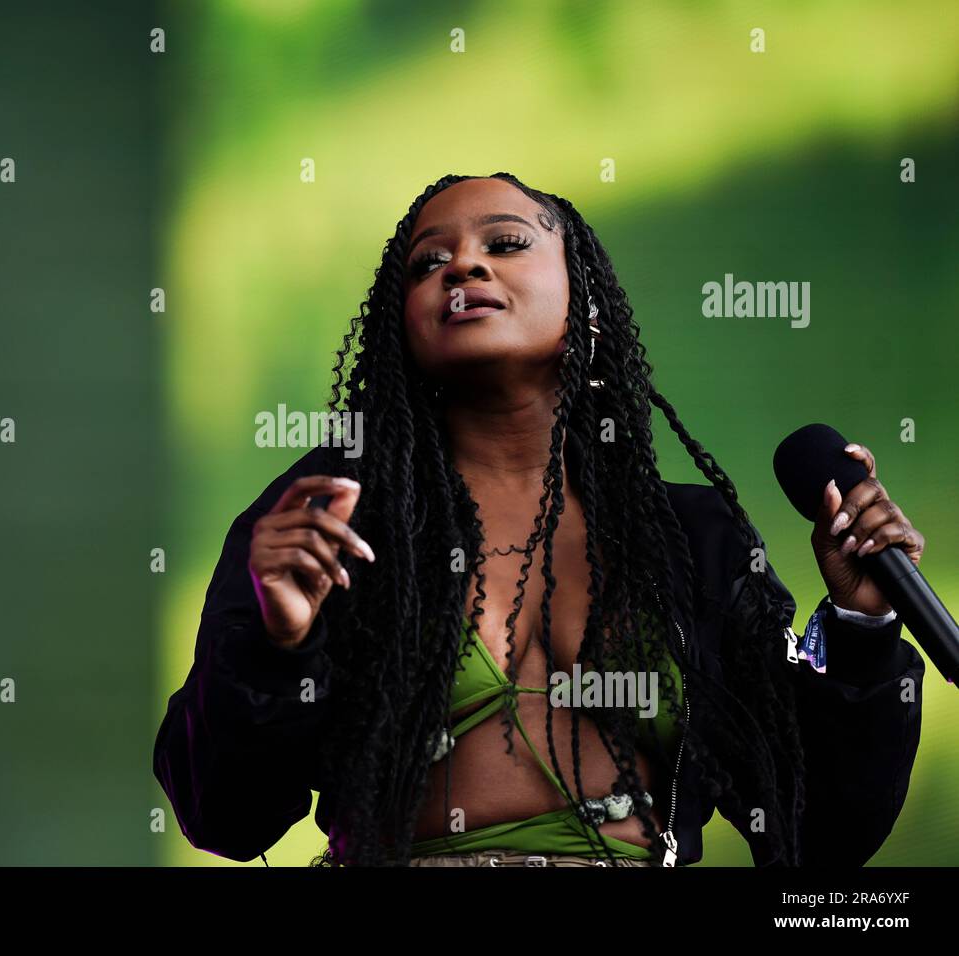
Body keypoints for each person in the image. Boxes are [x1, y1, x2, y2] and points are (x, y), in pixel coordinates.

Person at [152, 173, 926, 867]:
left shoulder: (689, 538)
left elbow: (816, 833)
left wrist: (866, 628)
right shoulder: (328, 524)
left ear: (587, 314)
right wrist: (275, 647)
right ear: (404, 333)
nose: (463, 265)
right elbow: (224, 816)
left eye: (507, 243)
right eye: (428, 262)